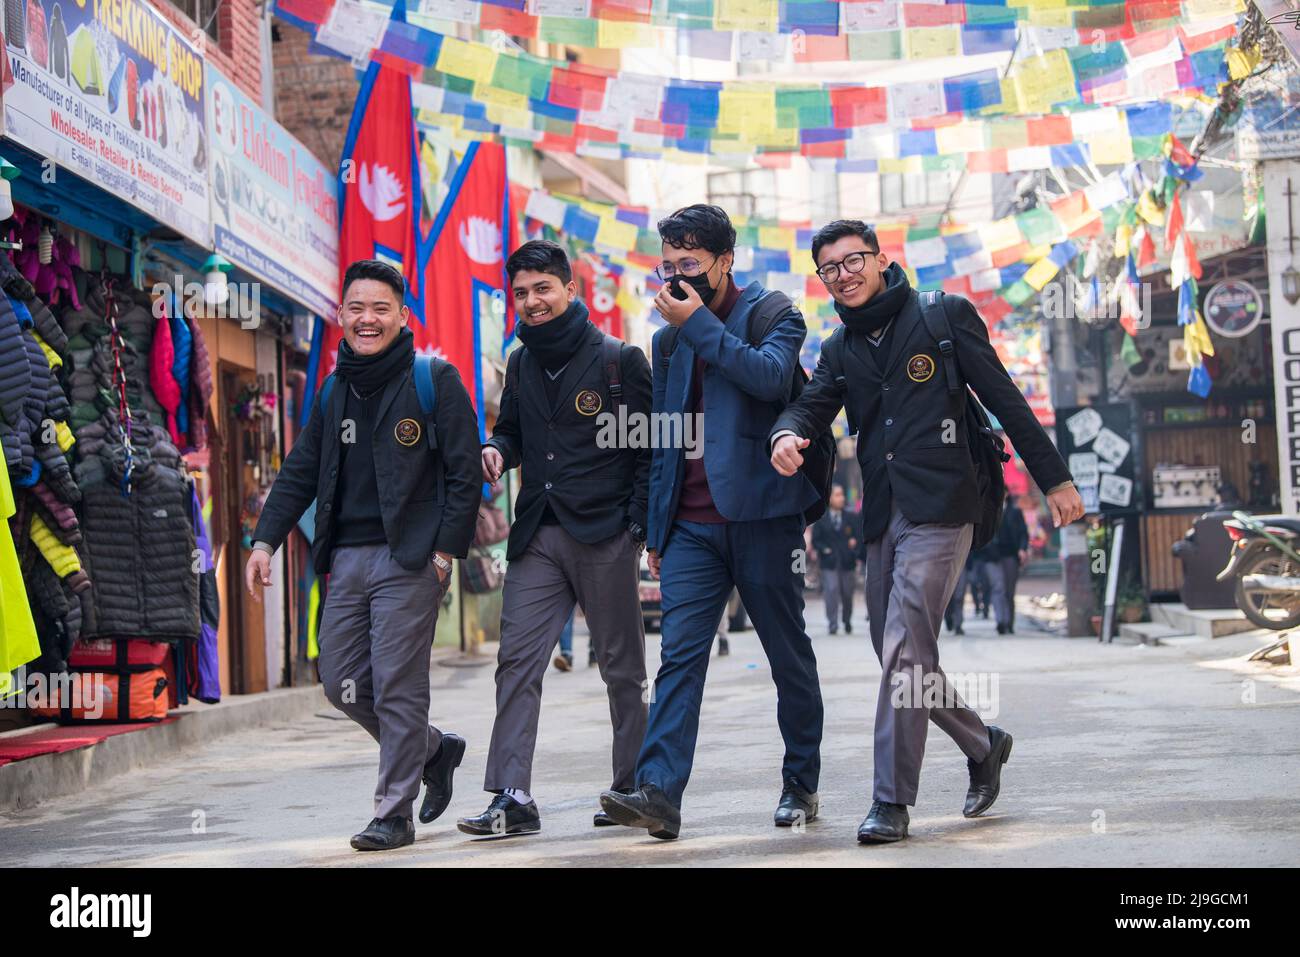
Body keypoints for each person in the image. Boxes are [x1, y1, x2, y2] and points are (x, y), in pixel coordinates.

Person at [770, 220, 1083, 845]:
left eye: (852, 260)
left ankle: (890, 799)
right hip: (885, 514)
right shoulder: (838, 349)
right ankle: (982, 742)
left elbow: (1006, 397)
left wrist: (1055, 480)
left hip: (945, 504)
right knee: (901, 654)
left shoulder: (943, 317)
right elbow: (811, 406)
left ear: (881, 259)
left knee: (906, 643)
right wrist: (787, 433)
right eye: (829, 268)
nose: (843, 274)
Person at [599, 204, 824, 841]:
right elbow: (665, 436)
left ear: (725, 262)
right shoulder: (666, 338)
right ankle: (659, 793)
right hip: (691, 528)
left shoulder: (775, 313)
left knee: (786, 655)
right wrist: (657, 528)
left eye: (689, 264)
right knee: (680, 659)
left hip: (764, 519)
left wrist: (697, 323)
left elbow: (770, 378)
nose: (676, 277)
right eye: (667, 265)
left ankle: (800, 782)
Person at [245, 260, 481, 851]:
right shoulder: (334, 387)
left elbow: (464, 473)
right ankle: (433, 749)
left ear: (402, 316)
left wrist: (446, 554)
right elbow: (301, 469)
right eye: (357, 308)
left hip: (411, 558)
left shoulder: (435, 380)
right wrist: (264, 540)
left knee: (398, 684)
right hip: (346, 559)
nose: (367, 319)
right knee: (341, 681)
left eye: (381, 309)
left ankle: (392, 812)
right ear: (342, 315)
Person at [458, 240, 651, 838]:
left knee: (621, 667)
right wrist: (496, 449)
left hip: (605, 532)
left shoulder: (621, 361)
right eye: (521, 293)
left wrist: (641, 530)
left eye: (543, 288)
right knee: (516, 662)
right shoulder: (518, 361)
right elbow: (511, 429)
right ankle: (511, 797)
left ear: (571, 290)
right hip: (538, 529)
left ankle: (632, 786)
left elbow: (648, 454)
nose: (532, 302)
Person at [812, 484, 859, 634]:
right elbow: (816, 540)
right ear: (830, 498)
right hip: (829, 562)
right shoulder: (822, 518)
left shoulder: (851, 517)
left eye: (842, 495)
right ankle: (832, 623)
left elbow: (859, 536)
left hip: (847, 561)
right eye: (838, 495)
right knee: (831, 591)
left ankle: (846, 620)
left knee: (847, 593)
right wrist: (825, 550)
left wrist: (854, 545)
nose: (842, 498)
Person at [984, 493, 1030, 634]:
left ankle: (1009, 622)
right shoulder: (986, 510)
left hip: (1010, 555)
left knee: (1009, 591)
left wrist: (1022, 549)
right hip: (991, 557)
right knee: (998, 588)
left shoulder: (1015, 512)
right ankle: (1001, 621)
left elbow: (1023, 533)